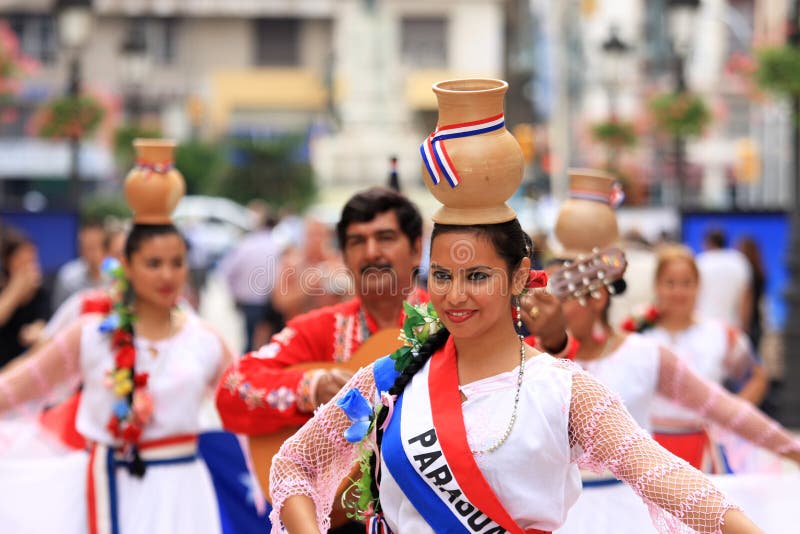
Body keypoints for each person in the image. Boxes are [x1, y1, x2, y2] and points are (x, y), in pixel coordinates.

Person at [267, 80, 765, 534]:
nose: (454, 295)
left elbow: (667, 478)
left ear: (520, 276)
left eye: (477, 276)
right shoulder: (388, 380)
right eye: (441, 275)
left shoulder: (568, 392)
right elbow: (293, 464)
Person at [543, 170, 799, 533]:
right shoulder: (534, 360)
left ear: (596, 295)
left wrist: (793, 450)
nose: (546, 308)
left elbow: (728, 411)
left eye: (559, 297)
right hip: (558, 516)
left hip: (630, 513)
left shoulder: (646, 354)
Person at [0, 148, 236, 534]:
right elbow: (16, 389)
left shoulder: (205, 339)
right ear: (126, 267)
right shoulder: (92, 333)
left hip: (183, 493)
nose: (167, 276)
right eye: (153, 263)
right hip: (107, 488)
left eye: (176, 263)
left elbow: (248, 400)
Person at [627, 244, 770, 473]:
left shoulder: (718, 334)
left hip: (703, 449)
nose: (678, 292)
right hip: (649, 449)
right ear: (657, 286)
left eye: (687, 283)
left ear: (698, 286)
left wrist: (731, 415)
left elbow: (757, 377)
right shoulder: (638, 335)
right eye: (670, 283)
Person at [216, 200, 283, 352]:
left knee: (251, 344)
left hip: (252, 303)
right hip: (270, 302)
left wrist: (235, 294)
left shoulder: (246, 245)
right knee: (270, 346)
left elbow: (226, 271)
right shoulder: (276, 246)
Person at [0, 227, 49, 366]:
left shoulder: (41, 293)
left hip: (25, 366)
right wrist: (16, 288)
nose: (28, 264)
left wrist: (36, 330)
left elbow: (43, 322)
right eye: (21, 259)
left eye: (32, 258)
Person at [695, 229, 752, 330]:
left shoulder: (700, 261)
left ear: (707, 243)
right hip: (731, 327)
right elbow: (746, 298)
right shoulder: (739, 261)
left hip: (702, 325)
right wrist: (743, 327)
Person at [51, 221, 107, 309]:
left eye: (93, 247)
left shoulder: (114, 274)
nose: (89, 254)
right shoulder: (67, 276)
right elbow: (59, 314)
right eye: (84, 247)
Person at [735, 236, 767, 351]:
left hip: (747, 323)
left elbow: (747, 298)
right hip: (757, 321)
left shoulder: (744, 272)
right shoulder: (760, 272)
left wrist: (743, 325)